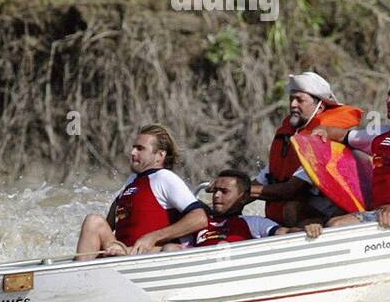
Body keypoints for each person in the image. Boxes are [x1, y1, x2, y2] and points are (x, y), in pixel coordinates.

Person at [312, 75, 390, 230]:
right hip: (379, 213)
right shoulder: (380, 135)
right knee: (327, 218)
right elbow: (343, 135)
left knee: (336, 225)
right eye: (389, 95)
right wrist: (322, 131)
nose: (389, 100)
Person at [75, 124, 208, 259]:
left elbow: (200, 218)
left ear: (160, 155)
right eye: (133, 147)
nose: (132, 153)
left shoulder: (165, 178)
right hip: (123, 253)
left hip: (150, 254)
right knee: (93, 221)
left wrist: (154, 237)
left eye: (140, 149)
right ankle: (80, 272)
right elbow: (110, 223)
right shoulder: (132, 181)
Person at [250, 72, 363, 226]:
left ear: (320, 107)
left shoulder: (323, 144)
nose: (293, 105)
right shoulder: (288, 139)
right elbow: (261, 180)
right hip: (289, 215)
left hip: (328, 215)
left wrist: (242, 192)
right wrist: (231, 190)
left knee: (292, 207)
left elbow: (291, 190)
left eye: (300, 100)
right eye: (291, 99)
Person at [163, 169, 322, 250]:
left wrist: (307, 229)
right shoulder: (197, 222)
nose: (217, 196)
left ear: (244, 198)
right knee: (169, 248)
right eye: (215, 191)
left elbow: (285, 233)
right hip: (199, 273)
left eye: (224, 191)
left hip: (234, 274)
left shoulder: (252, 223)